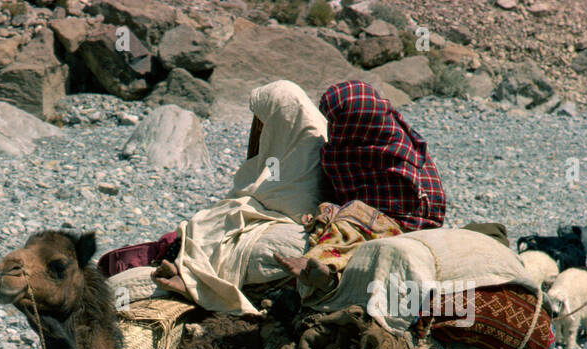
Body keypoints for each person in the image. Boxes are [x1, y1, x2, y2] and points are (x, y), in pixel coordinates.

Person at [153, 79, 328, 313]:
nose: (257, 127)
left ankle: (197, 283)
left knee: (220, 232)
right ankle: (189, 273)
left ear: (275, 119)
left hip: (291, 226)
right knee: (204, 225)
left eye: (261, 120)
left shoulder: (309, 145)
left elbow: (284, 203)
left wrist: (244, 205)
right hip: (272, 218)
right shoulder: (296, 132)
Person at [317, 79, 446, 231]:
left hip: (402, 223)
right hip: (430, 219)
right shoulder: (403, 140)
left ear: (345, 121)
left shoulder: (340, 156)